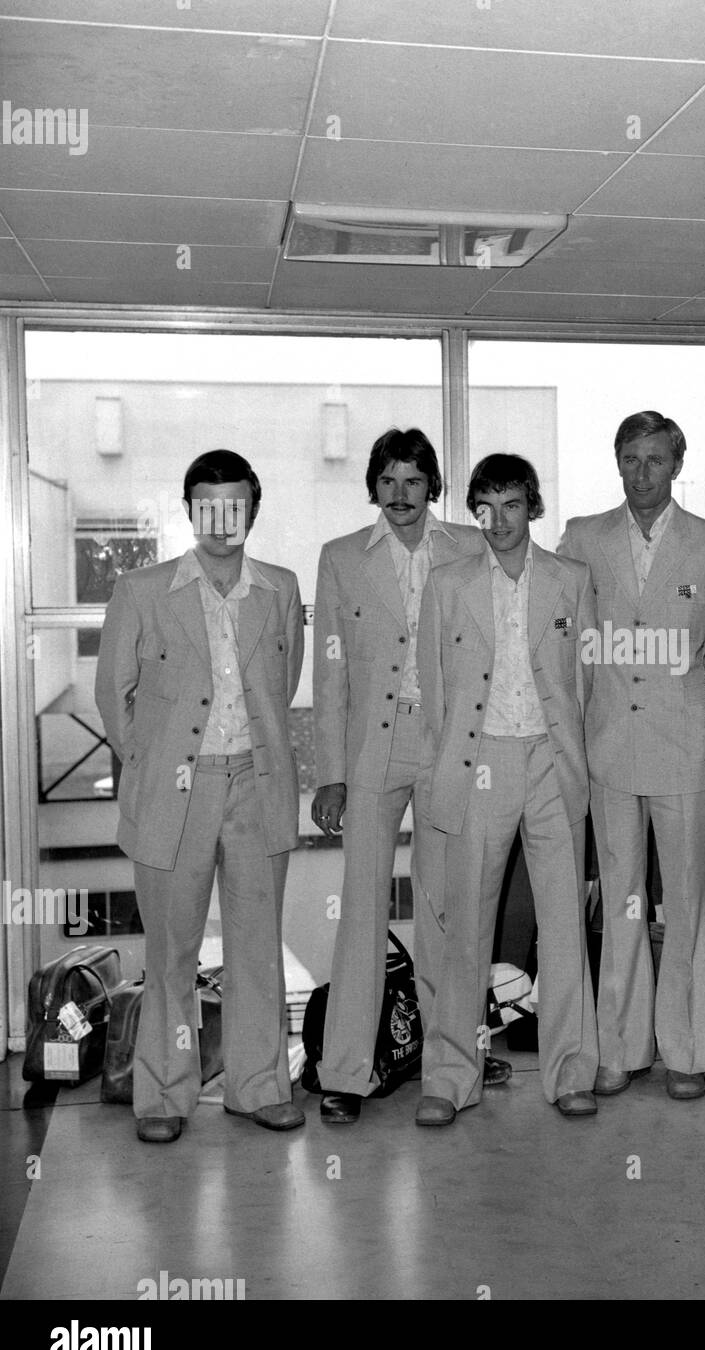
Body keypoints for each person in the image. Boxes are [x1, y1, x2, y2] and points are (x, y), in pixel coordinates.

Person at [95, 450, 304, 1142]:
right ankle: (163, 1095)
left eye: (235, 504)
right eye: (207, 504)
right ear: (188, 510)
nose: (221, 519)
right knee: (171, 953)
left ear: (253, 510)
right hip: (174, 792)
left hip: (256, 784)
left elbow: (283, 682)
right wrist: (156, 767)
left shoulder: (279, 589)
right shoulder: (142, 591)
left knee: (256, 950)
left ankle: (259, 1086)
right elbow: (113, 696)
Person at [312, 426, 508, 1123]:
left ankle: (452, 1062)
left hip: (450, 745)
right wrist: (329, 773)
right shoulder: (340, 559)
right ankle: (344, 1071)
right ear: (374, 485)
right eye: (389, 481)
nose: (400, 495)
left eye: (414, 481)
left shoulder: (469, 547)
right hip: (372, 751)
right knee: (361, 908)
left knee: (444, 907)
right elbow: (330, 673)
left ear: (433, 487)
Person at [558, 410, 705, 1101]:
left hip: (682, 745)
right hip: (606, 742)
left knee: (687, 901)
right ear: (617, 462)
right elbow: (564, 634)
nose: (642, 473)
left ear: (677, 465)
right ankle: (619, 1048)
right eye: (631, 459)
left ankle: (690, 1052)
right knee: (622, 903)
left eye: (655, 460)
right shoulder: (582, 537)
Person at [414, 454, 600, 1124]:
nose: (498, 520)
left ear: (533, 506)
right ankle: (449, 1079)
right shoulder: (448, 583)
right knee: (468, 926)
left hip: (552, 761)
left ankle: (571, 1071)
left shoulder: (570, 580)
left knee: (562, 926)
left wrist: (572, 754)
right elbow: (434, 691)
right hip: (479, 762)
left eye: (512, 504)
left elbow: (587, 681)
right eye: (485, 506)